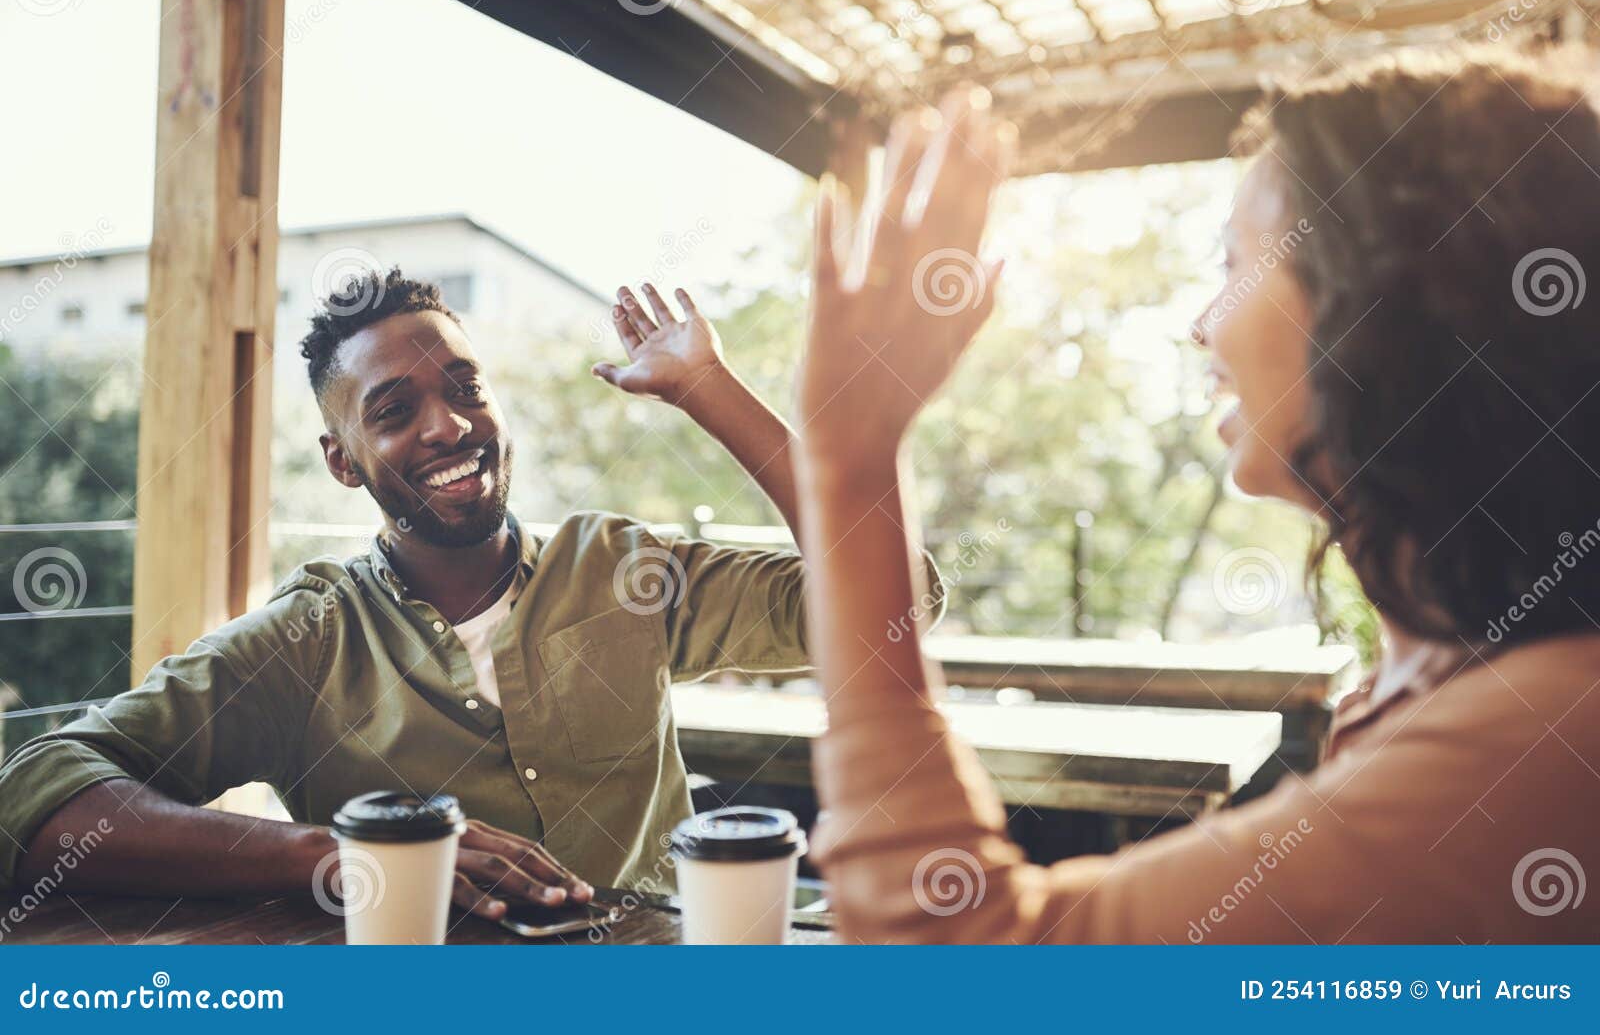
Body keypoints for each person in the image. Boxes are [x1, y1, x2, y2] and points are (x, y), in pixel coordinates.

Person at [793, 52, 1600, 942]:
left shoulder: (1548, 735)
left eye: (1235, 264)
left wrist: (851, 463)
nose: (1202, 325)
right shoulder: (1445, 683)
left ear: (1381, 298)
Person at [0, 271, 942, 922]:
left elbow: (899, 596)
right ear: (342, 461)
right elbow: (34, 797)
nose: (448, 425)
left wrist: (711, 391)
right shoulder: (307, 643)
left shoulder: (622, 569)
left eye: (464, 388)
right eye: (394, 411)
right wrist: (338, 855)